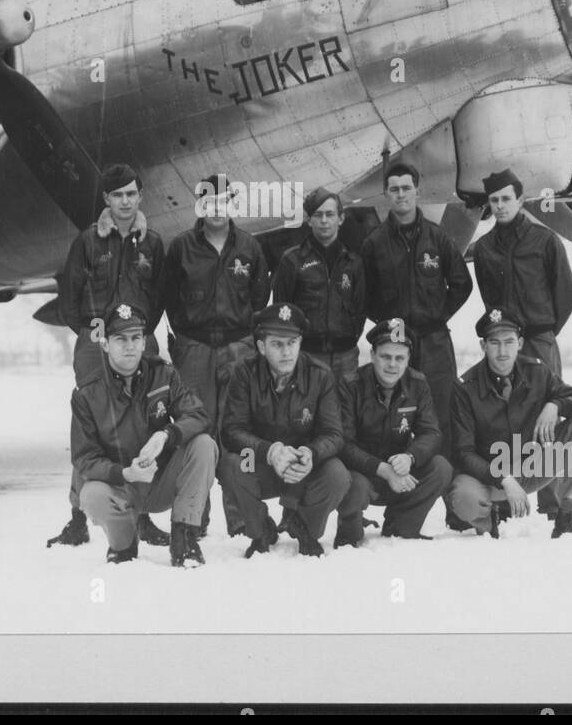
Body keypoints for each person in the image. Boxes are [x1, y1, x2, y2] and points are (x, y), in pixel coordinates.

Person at [48, 163, 168, 549]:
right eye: (117, 195)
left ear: (140, 195)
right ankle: (77, 517)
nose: (125, 202)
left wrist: (140, 335)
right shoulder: (87, 242)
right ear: (106, 200)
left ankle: (142, 515)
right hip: (95, 343)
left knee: (143, 425)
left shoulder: (153, 244)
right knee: (90, 427)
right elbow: (69, 300)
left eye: (131, 194)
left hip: (138, 343)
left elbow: (160, 298)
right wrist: (93, 332)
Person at [161, 172, 270, 536]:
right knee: (196, 430)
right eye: (209, 202)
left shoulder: (250, 248)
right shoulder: (180, 247)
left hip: (239, 347)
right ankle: (195, 517)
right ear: (200, 206)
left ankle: (241, 518)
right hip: (195, 348)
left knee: (237, 430)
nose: (217, 209)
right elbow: (169, 299)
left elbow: (259, 298)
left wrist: (243, 339)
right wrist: (191, 335)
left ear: (232, 204)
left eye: (223, 202)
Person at [71, 303, 216, 567]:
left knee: (204, 445)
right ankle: (123, 544)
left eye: (136, 338)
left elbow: (198, 416)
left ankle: (184, 538)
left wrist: (166, 434)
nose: (129, 346)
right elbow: (84, 459)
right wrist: (124, 473)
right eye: (120, 339)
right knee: (91, 494)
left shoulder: (164, 374)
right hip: (121, 485)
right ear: (105, 345)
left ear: (143, 341)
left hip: (161, 480)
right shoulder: (87, 394)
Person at [447, 307, 572, 540]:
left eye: (508, 342)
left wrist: (556, 405)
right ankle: (488, 522)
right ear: (483, 346)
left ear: (519, 343)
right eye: (494, 343)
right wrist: (504, 479)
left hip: (532, 465)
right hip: (491, 476)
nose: (502, 351)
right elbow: (463, 453)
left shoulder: (538, 371)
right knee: (464, 499)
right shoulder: (464, 388)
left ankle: (566, 513)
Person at [221, 303, 352, 557]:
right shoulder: (244, 373)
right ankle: (261, 531)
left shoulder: (320, 375)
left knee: (337, 474)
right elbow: (232, 430)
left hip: (304, 467)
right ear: (261, 347)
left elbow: (335, 434)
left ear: (300, 342)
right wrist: (270, 451)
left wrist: (311, 453)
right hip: (262, 464)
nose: (286, 352)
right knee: (233, 464)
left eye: (292, 343)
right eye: (277, 344)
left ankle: (303, 525)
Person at [360, 161, 473, 432]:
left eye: (406, 188)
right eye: (395, 189)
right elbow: (364, 295)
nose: (401, 194)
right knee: (394, 409)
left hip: (434, 341)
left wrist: (438, 314)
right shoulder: (373, 244)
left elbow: (462, 283)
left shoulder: (438, 238)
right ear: (387, 194)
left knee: (442, 409)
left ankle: (442, 471)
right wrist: (388, 323)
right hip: (395, 341)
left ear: (417, 192)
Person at [335, 319, 453, 546]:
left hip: (400, 472)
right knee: (352, 483)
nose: (392, 364)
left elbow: (431, 433)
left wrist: (410, 457)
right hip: (364, 472)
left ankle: (401, 525)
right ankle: (349, 530)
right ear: (372, 354)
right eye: (385, 356)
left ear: (409, 359)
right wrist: (383, 470)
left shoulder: (418, 384)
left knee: (440, 467)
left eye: (400, 358)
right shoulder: (350, 385)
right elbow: (343, 443)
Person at [470, 168, 572, 378]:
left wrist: (544, 331)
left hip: (539, 343)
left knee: (546, 404)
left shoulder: (546, 241)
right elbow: (487, 296)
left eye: (506, 198)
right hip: (503, 347)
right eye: (494, 200)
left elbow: (567, 295)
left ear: (520, 201)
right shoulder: (483, 248)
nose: (500, 206)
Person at [270, 187, 366, 386]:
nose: (324, 220)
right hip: (307, 356)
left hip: (345, 357)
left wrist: (348, 341)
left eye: (330, 214)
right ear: (309, 220)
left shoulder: (353, 262)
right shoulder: (292, 260)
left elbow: (360, 308)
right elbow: (282, 312)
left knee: (345, 414)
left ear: (341, 219)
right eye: (318, 215)